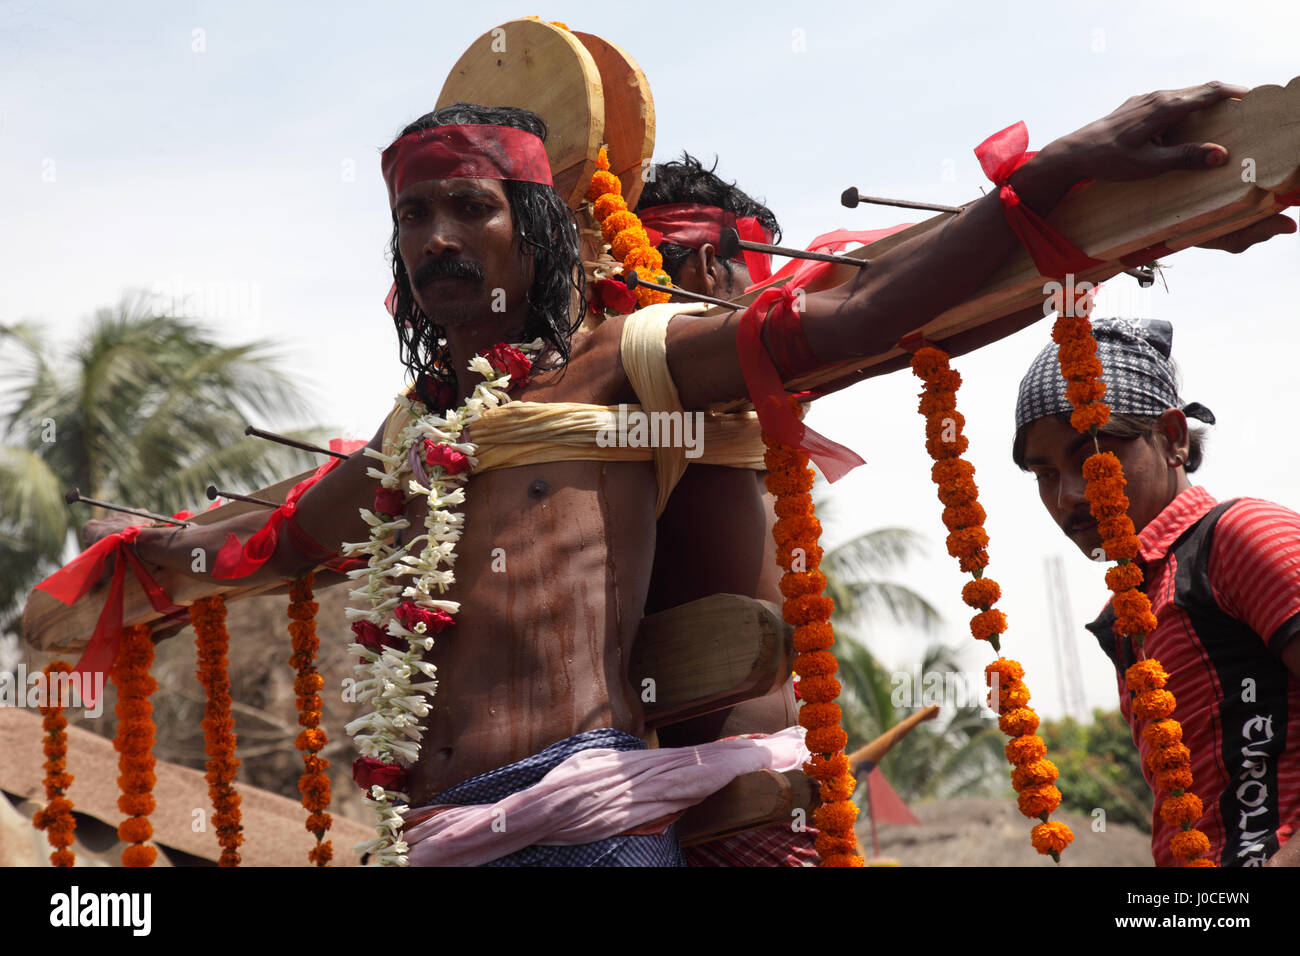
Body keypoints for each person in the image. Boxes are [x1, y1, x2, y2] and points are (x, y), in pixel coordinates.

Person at [84, 83, 1273, 866]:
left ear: (539, 233)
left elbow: (882, 313)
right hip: (436, 834)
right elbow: (288, 534)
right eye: (413, 215)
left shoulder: (641, 363)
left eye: (470, 205)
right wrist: (119, 569)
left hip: (619, 816)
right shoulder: (425, 432)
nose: (440, 236)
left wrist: (1063, 193)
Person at [1013, 317, 1300, 866]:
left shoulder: (1241, 537)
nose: (1070, 495)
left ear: (1172, 438)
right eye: (1044, 474)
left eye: (1093, 457)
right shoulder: (1129, 610)